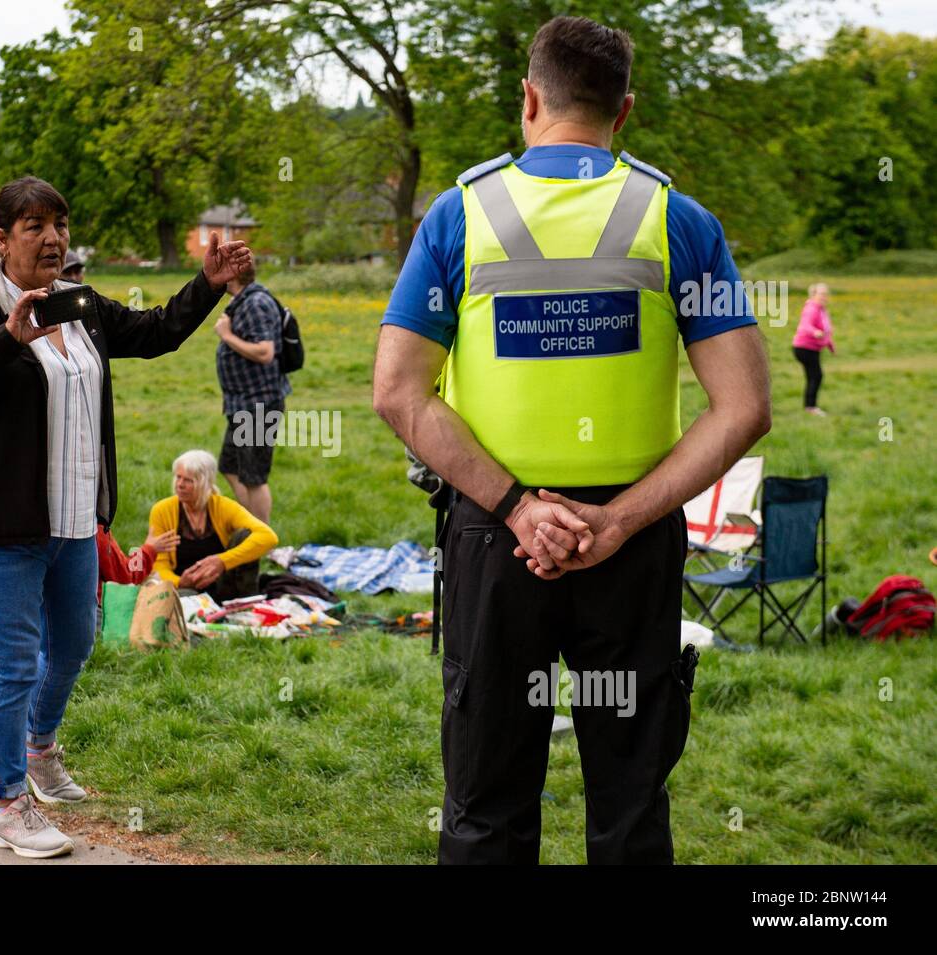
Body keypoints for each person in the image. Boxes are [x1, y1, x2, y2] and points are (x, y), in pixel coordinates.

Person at [373, 15, 771, 864]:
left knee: (484, 809)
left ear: (528, 98)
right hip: (631, 548)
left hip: (495, 539)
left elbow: (397, 393)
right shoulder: (678, 218)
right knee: (629, 808)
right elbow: (744, 409)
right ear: (623, 111)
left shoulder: (459, 215)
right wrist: (621, 520)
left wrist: (518, 509)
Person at [0, 176, 252, 859]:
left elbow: (153, 332)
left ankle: (40, 751)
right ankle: (6, 805)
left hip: (73, 521)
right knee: (11, 665)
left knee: (73, 643)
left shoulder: (80, 303)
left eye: (59, 223)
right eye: (33, 225)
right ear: (0, 238)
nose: (52, 237)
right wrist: (7, 338)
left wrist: (206, 283)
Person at [149, 449, 278, 601]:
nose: (180, 485)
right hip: (185, 590)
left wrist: (222, 562)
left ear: (205, 483)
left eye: (189, 480)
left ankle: (247, 603)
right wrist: (180, 582)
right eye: (178, 477)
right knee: (184, 598)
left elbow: (269, 537)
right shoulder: (162, 511)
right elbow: (159, 565)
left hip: (223, 586)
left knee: (246, 535)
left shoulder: (223, 507)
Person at [214, 263, 290, 522]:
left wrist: (226, 335)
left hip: (260, 404)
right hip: (243, 404)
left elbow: (264, 352)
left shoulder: (255, 302)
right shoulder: (243, 301)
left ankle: (261, 544)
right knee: (230, 467)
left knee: (254, 478)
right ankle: (251, 530)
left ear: (233, 274)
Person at [792, 282, 834, 416]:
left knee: (814, 376)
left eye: (826, 294)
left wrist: (829, 344)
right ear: (814, 295)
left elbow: (826, 329)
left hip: (811, 348)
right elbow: (805, 325)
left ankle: (810, 406)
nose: (824, 296)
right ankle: (811, 407)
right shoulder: (812, 308)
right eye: (821, 294)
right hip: (804, 348)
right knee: (816, 375)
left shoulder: (821, 309)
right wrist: (814, 332)